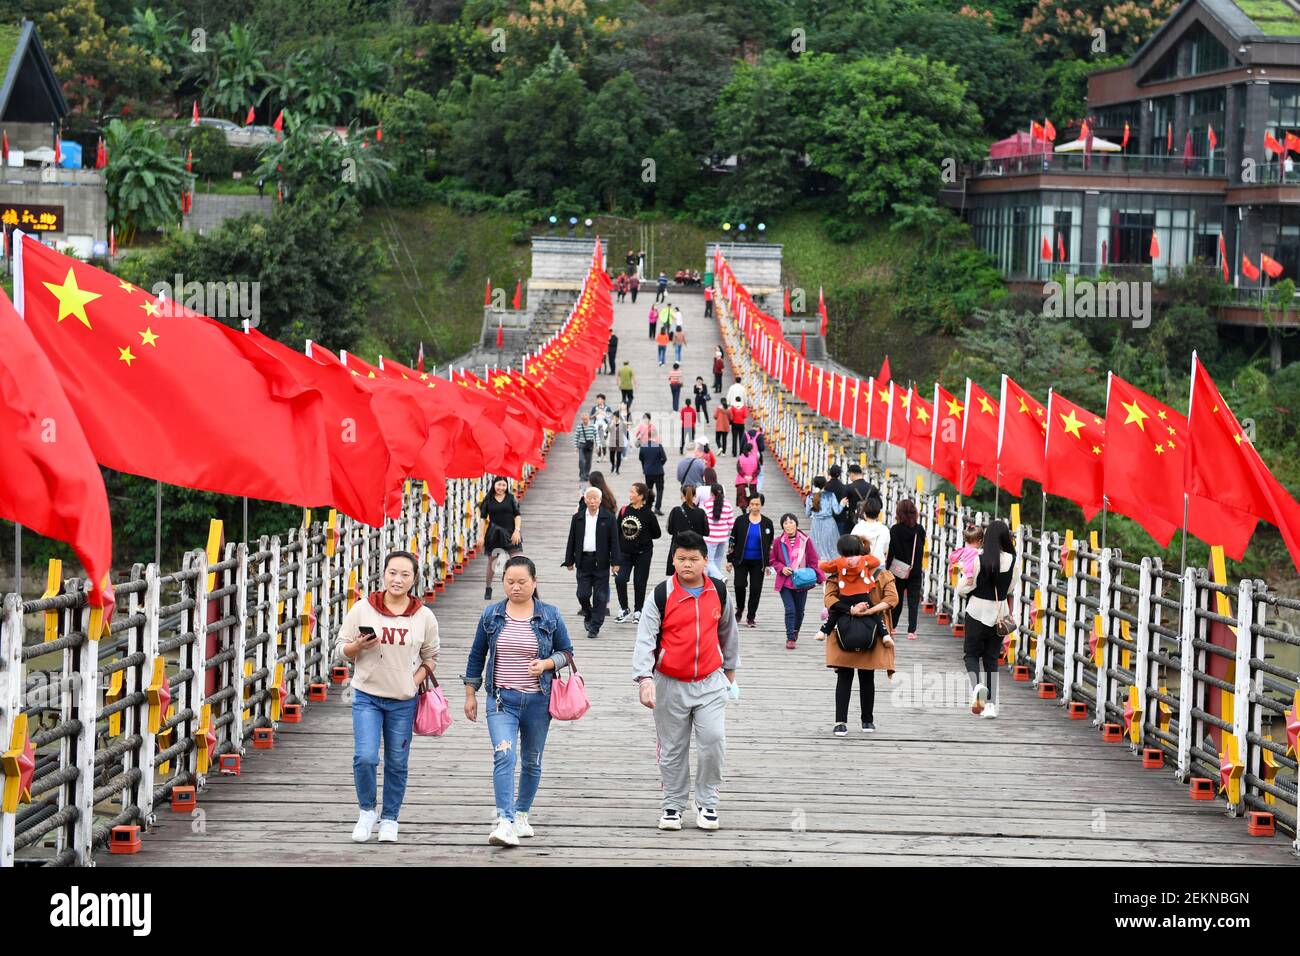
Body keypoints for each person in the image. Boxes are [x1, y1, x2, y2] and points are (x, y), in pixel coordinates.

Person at [463, 555, 574, 847]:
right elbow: (477, 655)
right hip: (501, 700)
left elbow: (567, 652)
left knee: (532, 760)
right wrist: (470, 693)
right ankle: (505, 821)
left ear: (534, 582)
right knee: (504, 755)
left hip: (539, 700)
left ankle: (522, 813)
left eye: (522, 582)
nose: (516, 587)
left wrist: (548, 664)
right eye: (510, 582)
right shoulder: (491, 615)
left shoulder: (549, 614)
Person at [633, 530, 739, 832]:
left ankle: (707, 803)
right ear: (673, 560)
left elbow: (729, 632)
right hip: (669, 682)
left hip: (710, 681)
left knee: (714, 740)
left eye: (694, 559)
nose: (687, 564)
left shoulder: (718, 591)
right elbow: (646, 639)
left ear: (706, 560)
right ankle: (673, 805)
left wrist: (729, 672)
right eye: (681, 559)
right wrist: (644, 678)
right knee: (672, 746)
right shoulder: (661, 594)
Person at [334, 551, 438, 844]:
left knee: (397, 761)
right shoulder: (363, 609)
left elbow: (431, 658)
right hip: (367, 695)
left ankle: (390, 817)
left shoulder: (423, 616)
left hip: (403, 700)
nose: (398, 579)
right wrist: (357, 646)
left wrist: (412, 682)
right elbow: (340, 649)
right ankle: (367, 811)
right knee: (365, 757)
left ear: (414, 579)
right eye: (393, 572)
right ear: (383, 575)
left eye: (405, 574)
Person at [821, 551, 899, 736]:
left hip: (844, 628)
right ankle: (867, 721)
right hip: (871, 631)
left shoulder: (839, 572)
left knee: (844, 677)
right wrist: (871, 610)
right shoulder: (881, 574)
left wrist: (851, 609)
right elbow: (892, 599)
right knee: (867, 677)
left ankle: (840, 722)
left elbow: (829, 599)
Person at [959, 520, 1015, 720]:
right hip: (999, 612)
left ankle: (977, 687)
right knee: (991, 659)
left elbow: (964, 587)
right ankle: (990, 706)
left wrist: (964, 585)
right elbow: (1010, 588)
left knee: (971, 654)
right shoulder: (1013, 559)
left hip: (976, 611)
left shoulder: (978, 557)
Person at [563, 488, 622, 639]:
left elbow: (615, 542)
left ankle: (595, 626)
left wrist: (616, 562)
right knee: (582, 594)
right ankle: (588, 613)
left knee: (601, 597)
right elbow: (571, 540)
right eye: (589, 498)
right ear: (585, 500)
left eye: (595, 498)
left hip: (601, 562)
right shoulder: (578, 518)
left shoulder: (608, 518)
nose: (592, 501)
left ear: (600, 500)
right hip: (583, 561)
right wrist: (569, 560)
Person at [771, 514, 823, 649]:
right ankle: (790, 637)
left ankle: (795, 631)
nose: (788, 525)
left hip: (802, 582)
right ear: (782, 526)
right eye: (785, 523)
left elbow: (813, 560)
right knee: (790, 609)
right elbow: (773, 560)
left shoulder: (806, 540)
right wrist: (781, 568)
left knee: (800, 611)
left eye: (791, 522)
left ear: (796, 524)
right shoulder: (778, 541)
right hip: (785, 581)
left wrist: (820, 577)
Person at [818, 534, 884, 640]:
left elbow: (827, 567)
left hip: (845, 594)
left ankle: (823, 631)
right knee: (875, 613)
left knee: (835, 613)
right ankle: (885, 635)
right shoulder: (865, 561)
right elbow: (877, 561)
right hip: (863, 594)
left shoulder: (839, 562)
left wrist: (820, 563)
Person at [614, 482, 662, 623]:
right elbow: (617, 532)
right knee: (620, 579)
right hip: (625, 554)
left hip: (643, 553)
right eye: (630, 492)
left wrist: (643, 536)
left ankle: (638, 610)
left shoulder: (648, 513)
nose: (630, 494)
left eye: (633, 492)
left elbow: (657, 534)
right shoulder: (624, 511)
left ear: (641, 496)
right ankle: (624, 608)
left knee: (639, 582)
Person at [726, 492, 774, 628]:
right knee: (739, 585)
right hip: (741, 559)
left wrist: (768, 564)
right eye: (752, 504)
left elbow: (770, 545)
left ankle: (751, 616)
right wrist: (729, 560)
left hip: (759, 562)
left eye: (757, 504)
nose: (754, 507)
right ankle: (740, 608)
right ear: (748, 504)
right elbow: (732, 540)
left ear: (762, 505)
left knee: (756, 589)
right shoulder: (740, 520)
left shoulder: (767, 523)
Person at [886, 498, 927, 641]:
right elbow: (921, 549)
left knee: (896, 599)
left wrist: (887, 568)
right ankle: (912, 631)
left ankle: (893, 627)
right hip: (915, 570)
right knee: (913, 601)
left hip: (898, 570)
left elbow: (892, 551)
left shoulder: (895, 530)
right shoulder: (919, 529)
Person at [478, 476, 523, 601]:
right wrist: (481, 536)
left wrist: (517, 531)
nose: (501, 488)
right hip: (494, 533)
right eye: (499, 485)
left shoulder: (510, 498)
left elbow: (517, 515)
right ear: (494, 485)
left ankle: (514, 588)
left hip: (510, 533)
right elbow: (482, 518)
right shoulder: (488, 499)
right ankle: (488, 587)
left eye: (504, 485)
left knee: (517, 561)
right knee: (492, 563)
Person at [665, 484, 709, 574]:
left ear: (682, 496)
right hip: (695, 550)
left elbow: (670, 530)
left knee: (677, 576)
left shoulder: (676, 511)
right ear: (695, 496)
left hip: (679, 549)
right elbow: (706, 532)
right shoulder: (701, 512)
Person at [806, 476, 845, 566]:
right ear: (825, 484)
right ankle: (831, 565)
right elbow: (837, 511)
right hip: (829, 522)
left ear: (814, 484)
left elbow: (807, 514)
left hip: (816, 523)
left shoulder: (810, 497)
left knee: (817, 543)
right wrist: (842, 504)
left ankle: (818, 564)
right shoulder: (830, 495)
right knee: (830, 544)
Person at [702, 483, 735, 580]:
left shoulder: (707, 504)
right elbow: (731, 524)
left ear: (711, 493)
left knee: (708, 561)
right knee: (718, 560)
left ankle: (720, 577)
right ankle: (714, 581)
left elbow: (703, 521)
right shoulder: (728, 505)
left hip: (710, 538)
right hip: (723, 537)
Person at [851, 496, 891, 569]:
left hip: (861, 565)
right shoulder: (884, 529)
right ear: (878, 514)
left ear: (864, 513)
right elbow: (886, 548)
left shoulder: (858, 528)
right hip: (879, 565)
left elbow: (852, 547)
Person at [639, 435, 668, 514]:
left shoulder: (643, 446)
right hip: (658, 472)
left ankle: (648, 507)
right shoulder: (658, 446)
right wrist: (660, 464)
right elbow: (664, 458)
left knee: (648, 490)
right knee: (659, 490)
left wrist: (645, 467)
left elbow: (641, 458)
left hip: (648, 472)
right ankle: (657, 508)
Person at [823, 464, 854, 534]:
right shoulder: (843, 487)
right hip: (840, 516)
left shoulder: (826, 486)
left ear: (830, 473)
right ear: (839, 474)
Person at [573, 412, 597, 483]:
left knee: (588, 461)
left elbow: (596, 436)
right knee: (582, 461)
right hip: (581, 445)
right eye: (583, 419)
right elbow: (576, 437)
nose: (584, 421)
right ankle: (582, 475)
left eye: (586, 419)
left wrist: (598, 446)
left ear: (589, 419)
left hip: (590, 445)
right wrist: (575, 447)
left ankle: (586, 475)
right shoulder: (579, 427)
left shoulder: (592, 426)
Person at [735, 440, 760, 507]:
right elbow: (758, 469)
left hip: (742, 482)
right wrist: (752, 477)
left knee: (742, 499)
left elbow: (739, 469)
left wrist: (744, 476)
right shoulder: (755, 458)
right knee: (752, 499)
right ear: (751, 449)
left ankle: (744, 512)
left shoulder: (740, 458)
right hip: (752, 482)